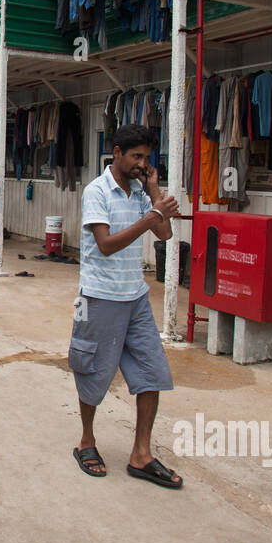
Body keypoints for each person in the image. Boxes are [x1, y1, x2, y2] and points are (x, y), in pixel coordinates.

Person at [69, 123, 182, 488]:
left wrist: (153, 196)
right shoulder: (96, 191)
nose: (141, 163)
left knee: (151, 373)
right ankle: (86, 440)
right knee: (92, 371)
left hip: (135, 297)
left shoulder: (139, 193)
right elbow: (104, 244)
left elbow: (163, 234)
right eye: (136, 156)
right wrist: (150, 218)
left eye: (147, 158)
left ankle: (141, 454)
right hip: (98, 297)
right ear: (116, 153)